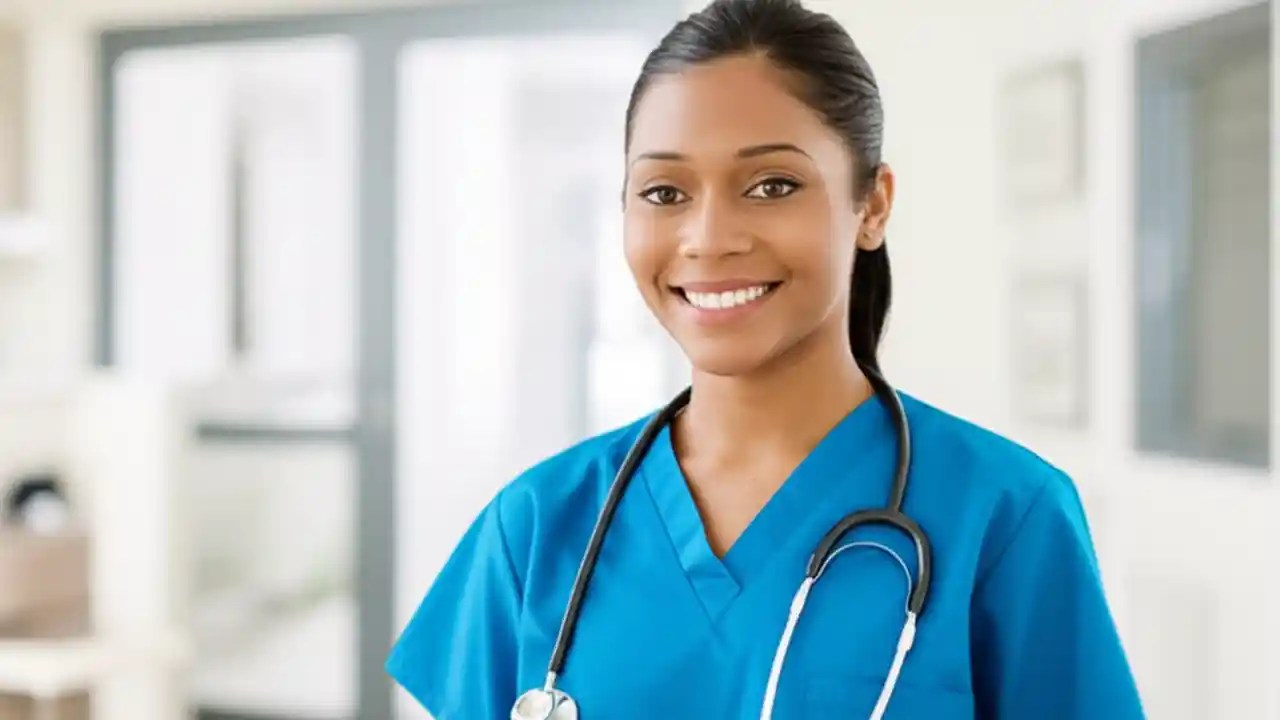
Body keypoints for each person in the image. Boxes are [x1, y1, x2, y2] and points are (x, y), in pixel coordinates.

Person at [386, 0, 1146, 717]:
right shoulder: (538, 527)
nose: (709, 237)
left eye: (771, 185)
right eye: (663, 192)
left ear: (872, 206)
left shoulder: (1005, 518)